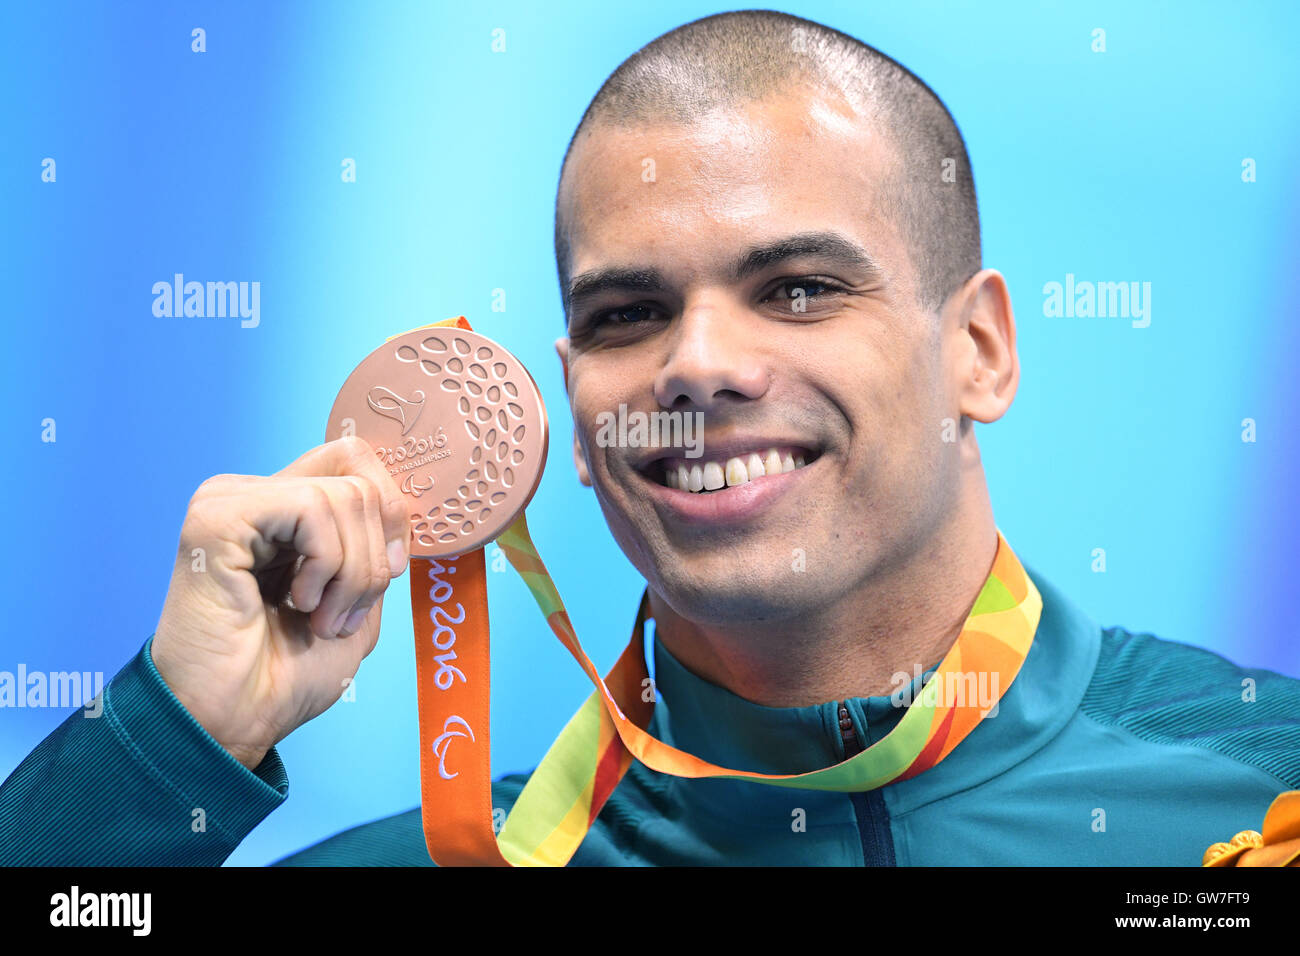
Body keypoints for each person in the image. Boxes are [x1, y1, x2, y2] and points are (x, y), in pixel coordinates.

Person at [3, 9, 1298, 867]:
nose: (699, 363)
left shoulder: (1261, 787)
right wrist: (168, 741)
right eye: (630, 311)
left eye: (798, 286)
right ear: (575, 411)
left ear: (981, 351)